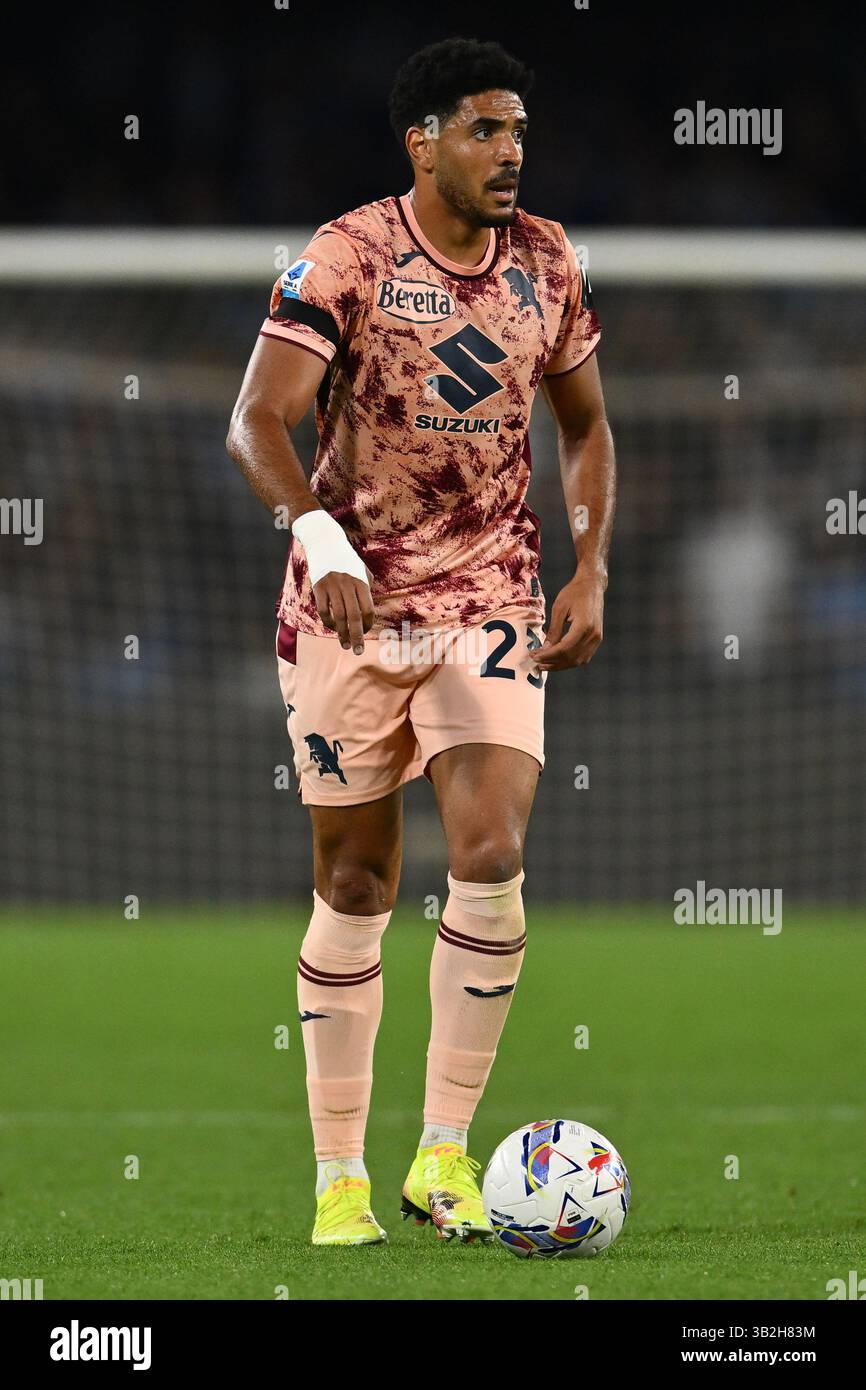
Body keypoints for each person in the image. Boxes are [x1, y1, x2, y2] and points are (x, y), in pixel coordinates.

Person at [226, 36, 616, 1246]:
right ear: (423, 140)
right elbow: (256, 423)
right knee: (354, 881)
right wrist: (318, 540)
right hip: (351, 604)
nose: (509, 153)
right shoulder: (346, 255)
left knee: (490, 851)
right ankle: (338, 1172)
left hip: (490, 597)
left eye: (518, 133)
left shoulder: (545, 261)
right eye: (484, 131)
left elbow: (588, 427)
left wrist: (589, 563)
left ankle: (439, 1155)